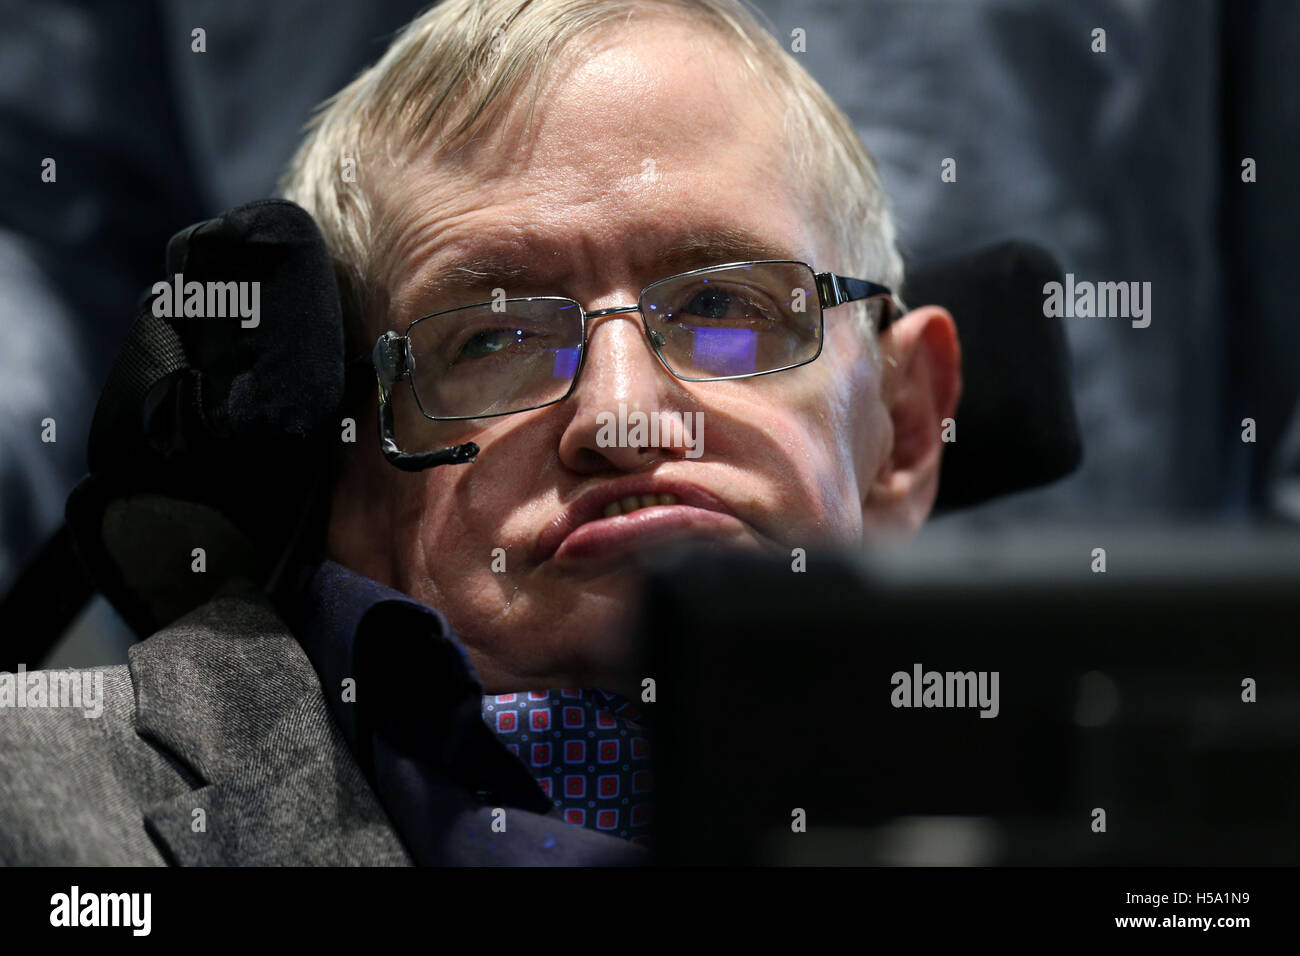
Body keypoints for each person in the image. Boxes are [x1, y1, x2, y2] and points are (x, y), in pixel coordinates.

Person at [0, 0, 959, 865]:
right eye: (494, 338)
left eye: (721, 307)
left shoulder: (1086, 789)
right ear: (341, 466)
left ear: (906, 428)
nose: (620, 414)